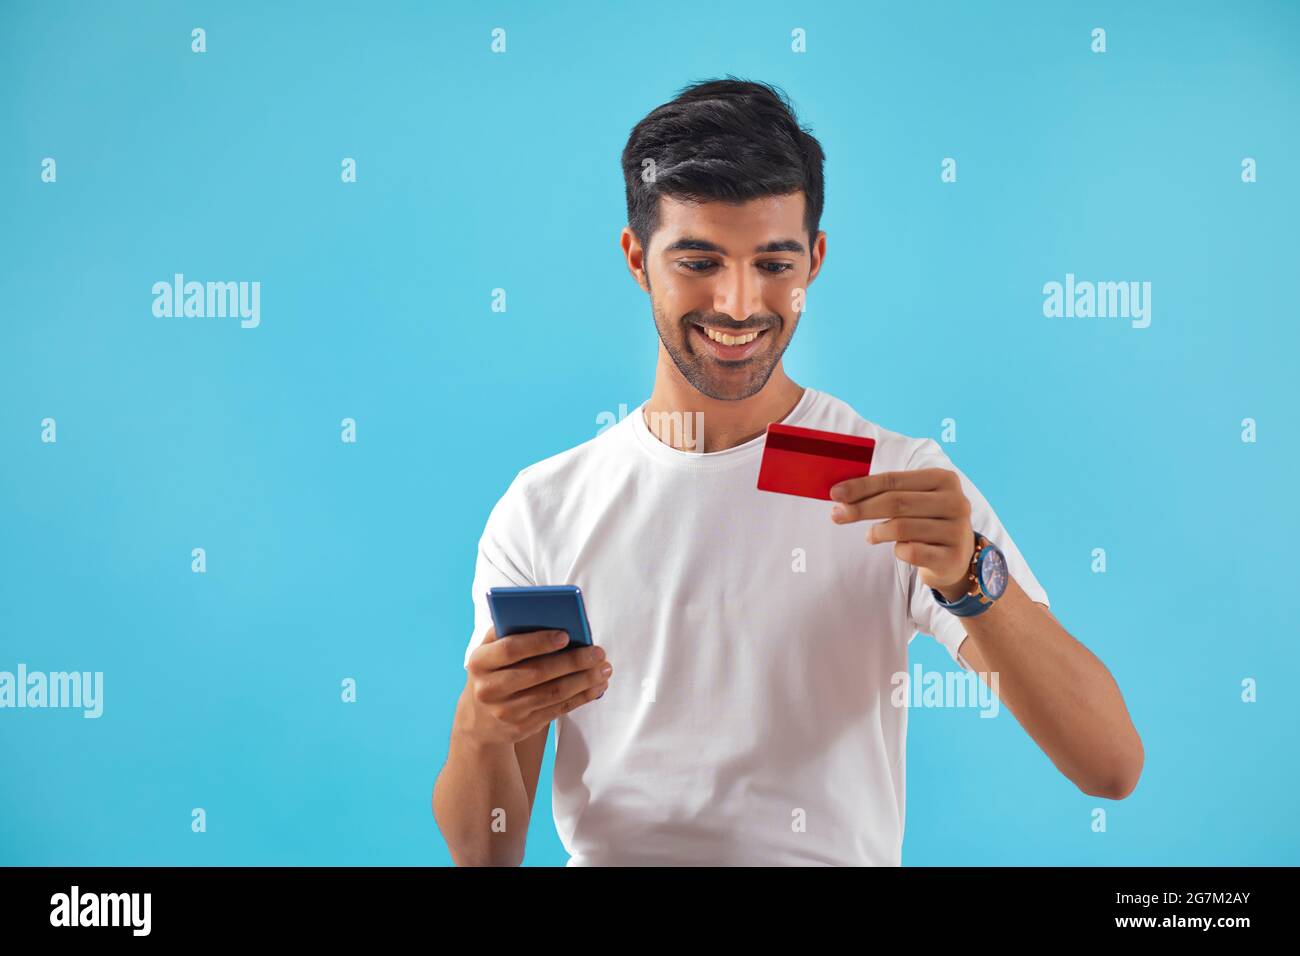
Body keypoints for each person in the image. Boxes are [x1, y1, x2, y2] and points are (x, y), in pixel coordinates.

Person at [432, 77, 1143, 866]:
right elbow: (482, 854)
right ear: (637, 259)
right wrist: (480, 722)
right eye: (698, 261)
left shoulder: (897, 482)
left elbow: (1109, 765)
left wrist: (971, 575)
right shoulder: (544, 508)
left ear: (816, 258)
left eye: (774, 263)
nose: (739, 304)